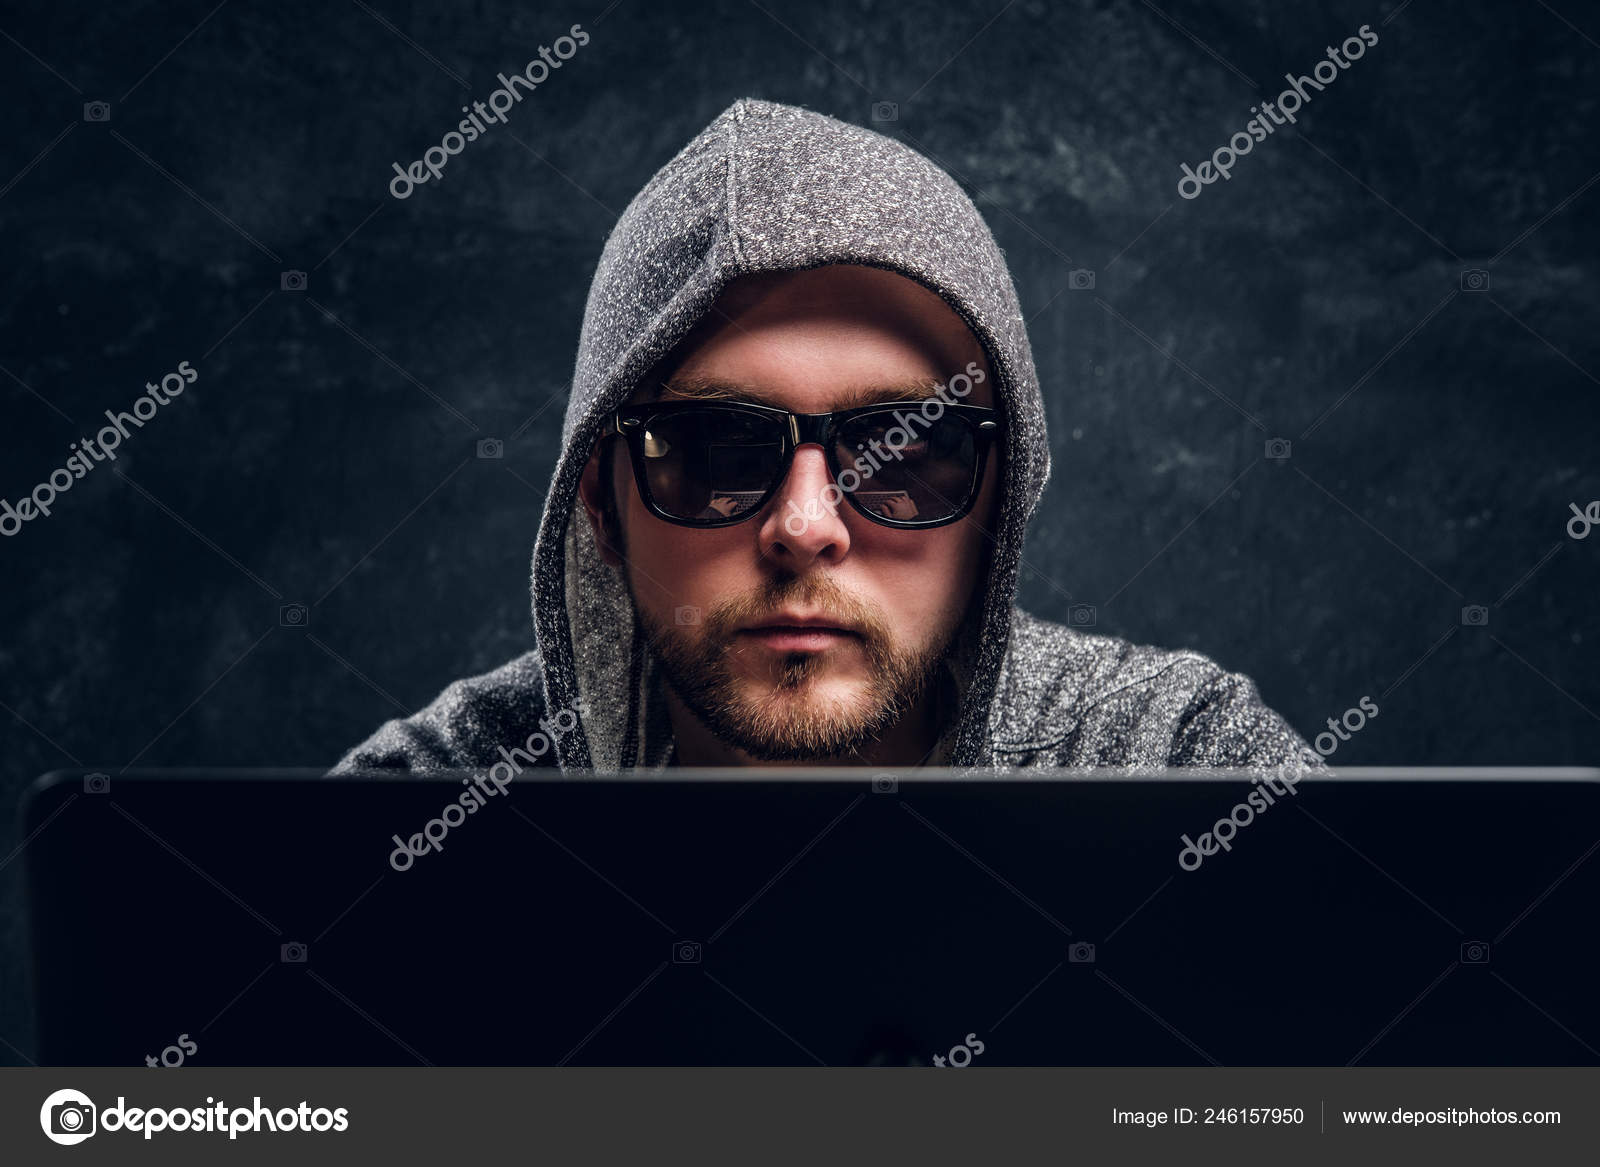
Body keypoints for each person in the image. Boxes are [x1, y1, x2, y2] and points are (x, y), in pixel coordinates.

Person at [333, 98, 1313, 774]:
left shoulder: (1173, 769)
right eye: (715, 452)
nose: (806, 528)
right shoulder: (437, 808)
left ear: (997, 498)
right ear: (600, 498)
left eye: (906, 449)